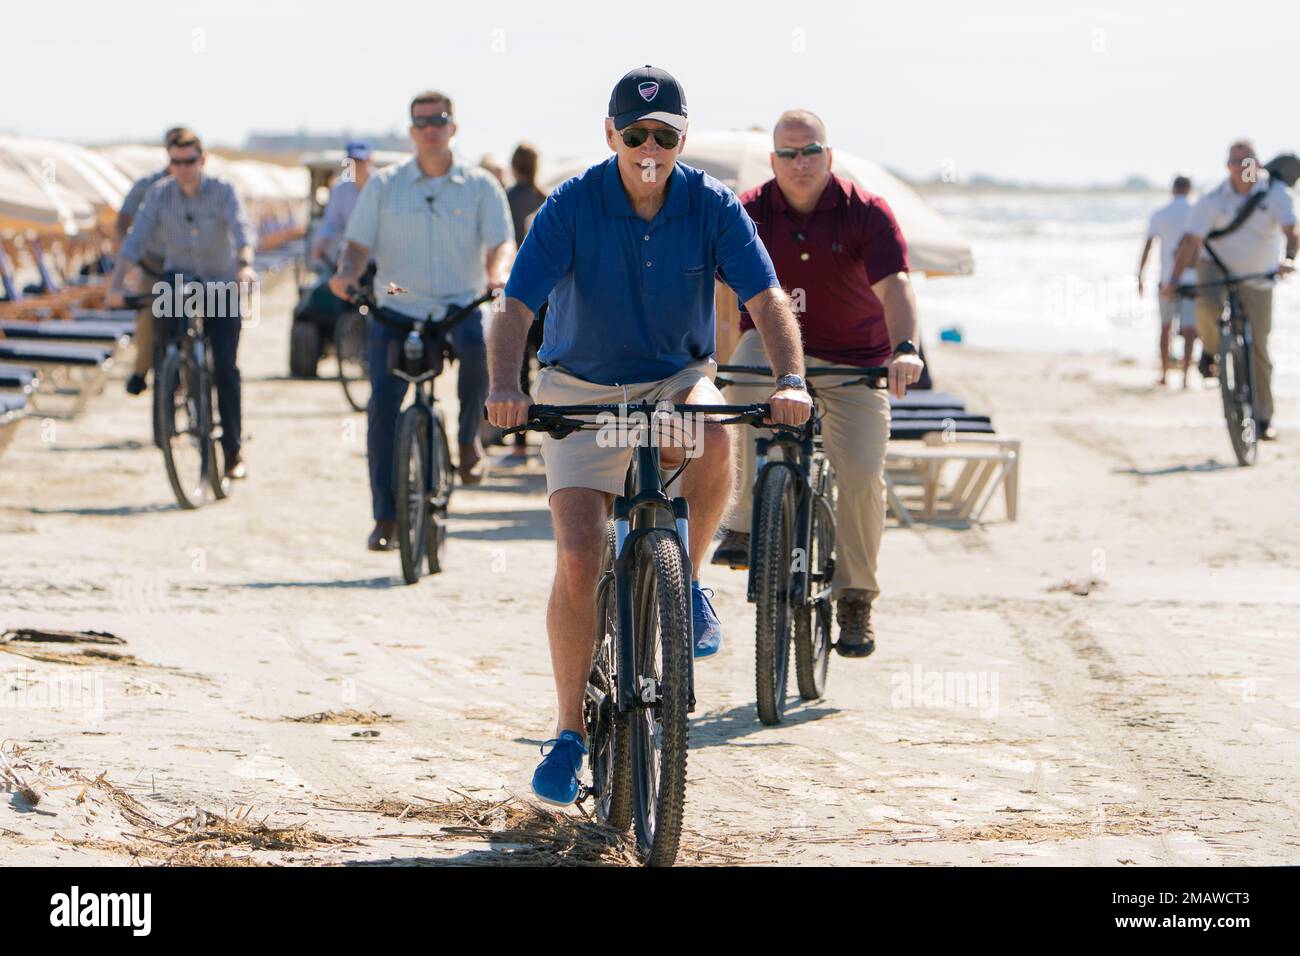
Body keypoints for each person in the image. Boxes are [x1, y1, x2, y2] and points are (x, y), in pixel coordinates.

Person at [485, 66, 812, 806]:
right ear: (612, 136)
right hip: (579, 387)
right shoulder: (571, 204)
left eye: (664, 134)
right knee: (578, 554)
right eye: (635, 134)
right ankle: (570, 732)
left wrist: (791, 381)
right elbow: (514, 306)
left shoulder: (712, 205)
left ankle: (687, 581)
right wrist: (504, 388)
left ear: (682, 139)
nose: (649, 147)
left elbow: (765, 298)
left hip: (673, 376)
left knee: (713, 427)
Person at [712, 109, 923, 658]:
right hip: (775, 345)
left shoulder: (866, 212)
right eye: (788, 153)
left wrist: (904, 350)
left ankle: (856, 596)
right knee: (735, 393)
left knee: (859, 469)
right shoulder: (750, 212)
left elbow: (896, 286)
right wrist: (708, 359)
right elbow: (717, 293)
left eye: (810, 151)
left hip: (855, 360)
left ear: (829, 155)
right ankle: (742, 520)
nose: (800, 163)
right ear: (773, 159)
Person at [329, 90, 514, 551]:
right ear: (412, 132)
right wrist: (347, 272)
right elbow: (356, 245)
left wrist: (497, 276)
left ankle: (469, 439)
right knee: (381, 410)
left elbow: (501, 243)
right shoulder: (384, 186)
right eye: (422, 121)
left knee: (477, 350)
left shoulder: (480, 185)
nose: (431, 128)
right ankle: (386, 517)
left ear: (453, 127)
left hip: (457, 303)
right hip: (396, 306)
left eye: (440, 119)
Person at [107, 130, 256, 480]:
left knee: (225, 367)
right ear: (169, 161)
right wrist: (115, 285)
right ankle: (170, 382)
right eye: (176, 161)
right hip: (178, 279)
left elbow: (242, 231)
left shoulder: (223, 191)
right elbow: (135, 238)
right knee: (165, 340)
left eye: (189, 161)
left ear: (202, 160)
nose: (183, 168)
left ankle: (233, 449)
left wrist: (245, 264)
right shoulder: (160, 194)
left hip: (219, 281)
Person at [1163, 140, 1297, 440]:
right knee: (1206, 307)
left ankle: (1264, 418)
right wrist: (1172, 281)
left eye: (1247, 160)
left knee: (1260, 346)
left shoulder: (1276, 194)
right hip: (1217, 267)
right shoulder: (1212, 198)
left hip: (1259, 275)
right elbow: (1191, 243)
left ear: (1257, 163)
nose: (1242, 167)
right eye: (1236, 162)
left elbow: (1292, 231)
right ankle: (1211, 351)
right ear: (1228, 167)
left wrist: (1288, 259)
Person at [115, 126, 187, 396]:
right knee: (147, 317)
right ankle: (140, 370)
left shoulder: (204, 187)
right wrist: (127, 252)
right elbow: (123, 221)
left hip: (190, 269)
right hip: (153, 266)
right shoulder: (148, 186)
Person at [504, 143, 547, 464]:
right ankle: (552, 443)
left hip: (515, 293)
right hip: (547, 295)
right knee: (548, 368)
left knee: (518, 370)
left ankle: (519, 445)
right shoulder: (546, 199)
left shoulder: (506, 199)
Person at [1138, 175, 1198, 388]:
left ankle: (1164, 374)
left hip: (1166, 280)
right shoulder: (1197, 212)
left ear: (1173, 189)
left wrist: (1140, 275)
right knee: (1190, 329)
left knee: (1165, 327)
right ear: (1189, 189)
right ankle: (1185, 378)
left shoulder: (1161, 214)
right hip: (1193, 279)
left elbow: (1148, 246)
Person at [310, 140, 372, 267]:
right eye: (353, 161)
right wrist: (321, 244)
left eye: (360, 160)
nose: (357, 165)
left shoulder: (382, 185)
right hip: (351, 257)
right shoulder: (340, 189)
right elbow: (331, 222)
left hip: (380, 258)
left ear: (369, 160)